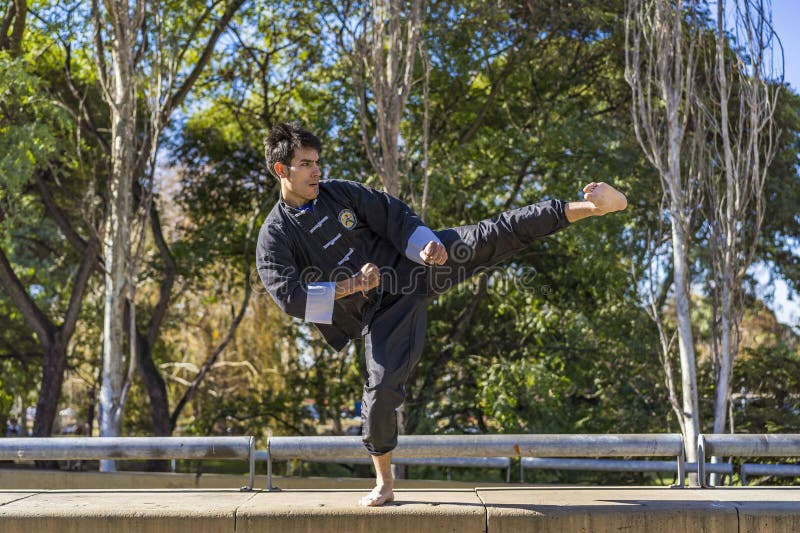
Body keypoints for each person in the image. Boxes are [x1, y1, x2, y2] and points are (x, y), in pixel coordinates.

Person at [256, 122, 628, 506]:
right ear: (281, 170)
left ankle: (593, 207)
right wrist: (351, 286)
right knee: (381, 394)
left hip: (413, 267)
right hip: (381, 314)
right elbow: (291, 298)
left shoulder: (342, 193)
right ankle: (384, 483)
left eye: (317, 162)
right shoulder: (274, 236)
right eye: (306, 164)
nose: (317, 170)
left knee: (492, 234)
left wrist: (426, 245)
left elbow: (394, 216)